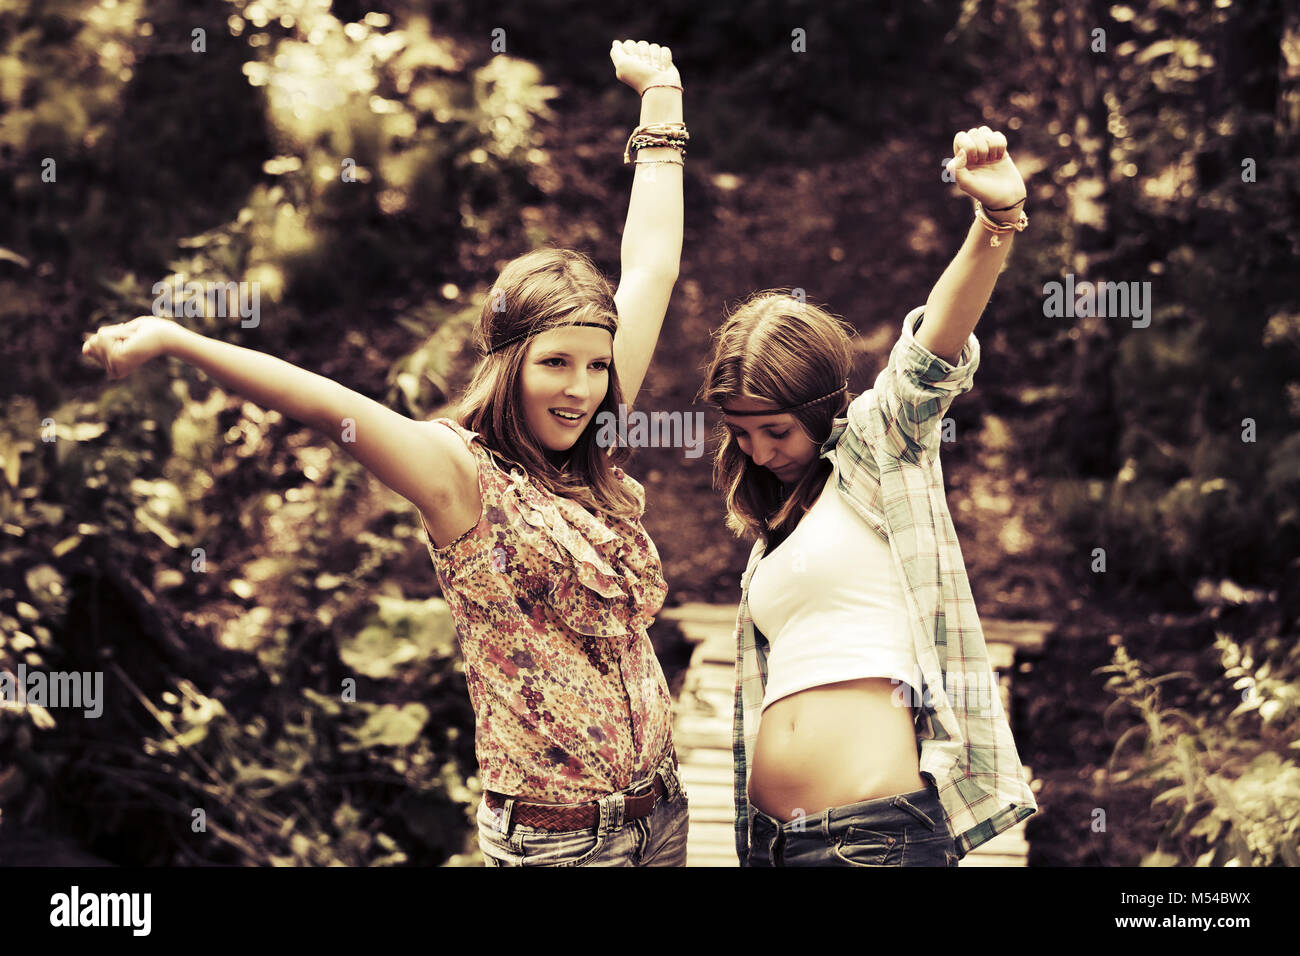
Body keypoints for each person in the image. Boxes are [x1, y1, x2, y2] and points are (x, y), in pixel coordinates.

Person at [80, 39, 689, 867]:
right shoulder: (459, 475)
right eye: (555, 363)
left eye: (593, 364)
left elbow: (649, 264)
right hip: (560, 844)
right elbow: (323, 403)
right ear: (508, 364)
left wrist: (662, 98)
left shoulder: (593, 442)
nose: (581, 388)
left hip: (663, 814)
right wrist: (178, 341)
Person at [699, 126, 1038, 867]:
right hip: (778, 847)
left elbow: (930, 356)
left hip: (873, 840)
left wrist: (994, 222)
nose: (758, 450)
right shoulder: (775, 535)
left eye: (775, 429)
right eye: (741, 433)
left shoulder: (881, 447)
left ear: (820, 407)